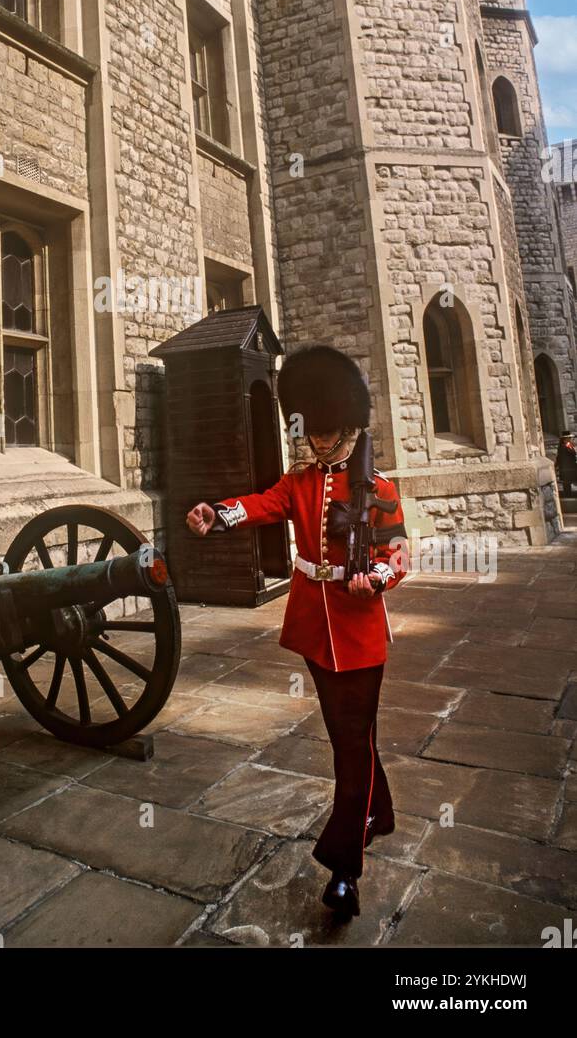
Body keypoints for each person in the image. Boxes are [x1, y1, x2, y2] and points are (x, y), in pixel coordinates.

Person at [186, 344, 409, 921]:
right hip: (315, 627)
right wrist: (218, 513)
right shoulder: (302, 482)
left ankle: (343, 868)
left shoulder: (379, 488)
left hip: (359, 629)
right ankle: (378, 812)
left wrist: (378, 578)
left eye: (326, 434)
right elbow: (262, 504)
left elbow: (400, 552)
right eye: (312, 434)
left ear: (347, 427)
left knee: (351, 739)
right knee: (348, 734)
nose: (316, 444)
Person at [555, 431, 577, 499]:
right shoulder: (563, 447)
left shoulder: (569, 445)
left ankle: (569, 495)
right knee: (567, 484)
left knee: (568, 483)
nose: (570, 439)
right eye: (569, 438)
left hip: (571, 468)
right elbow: (559, 458)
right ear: (565, 439)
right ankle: (568, 496)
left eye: (570, 438)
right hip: (566, 469)